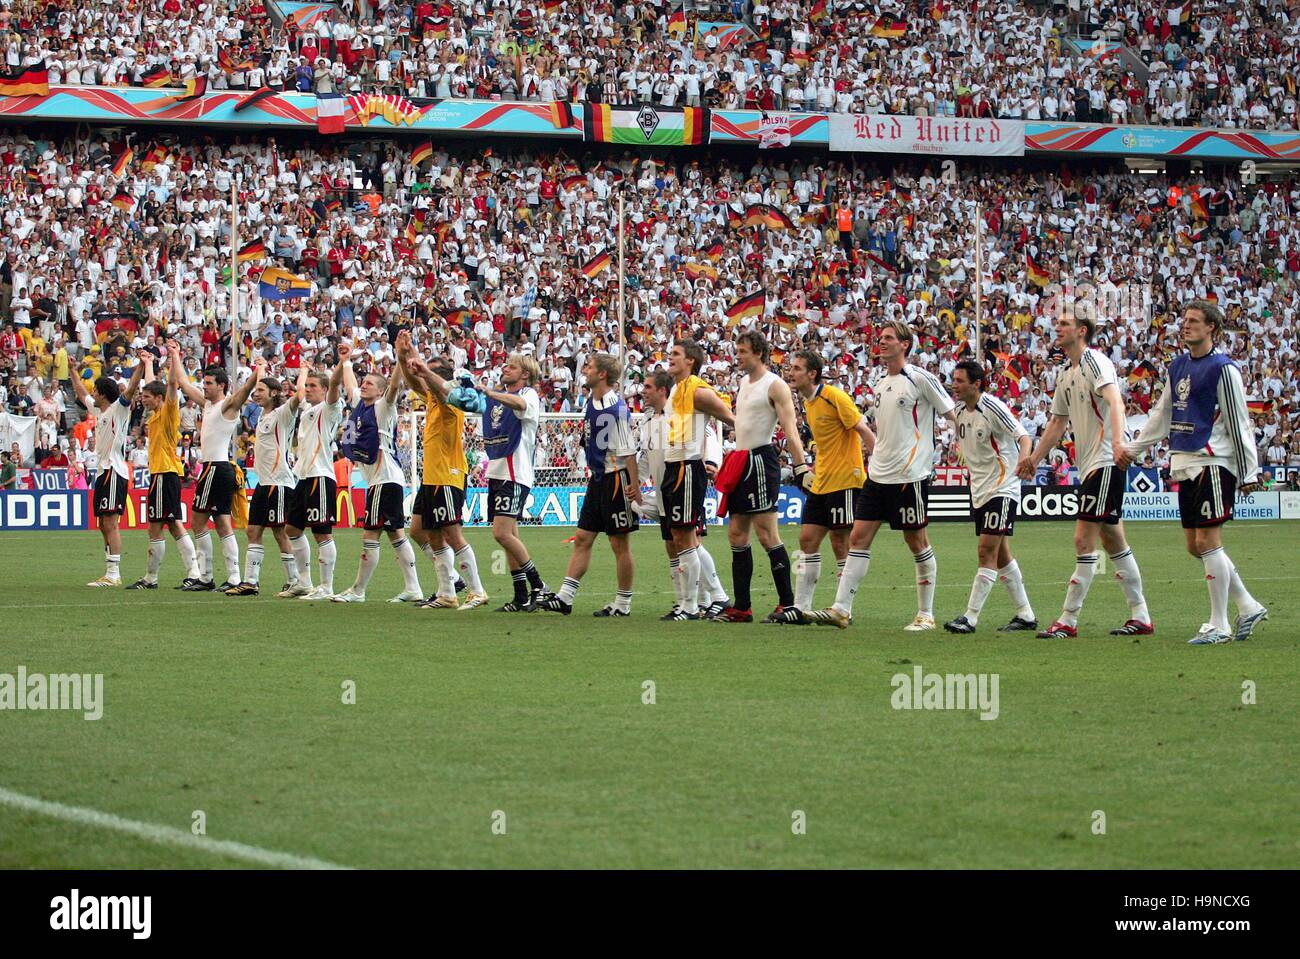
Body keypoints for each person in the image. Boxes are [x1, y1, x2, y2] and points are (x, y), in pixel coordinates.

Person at [1120, 300, 1269, 644]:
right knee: (1194, 545)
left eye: (1193, 321)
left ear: (1211, 329)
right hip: (1184, 462)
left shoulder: (1224, 369)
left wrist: (1249, 471)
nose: (1185, 326)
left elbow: (1239, 421)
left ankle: (1219, 624)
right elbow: (1161, 415)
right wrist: (1134, 448)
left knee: (1208, 540)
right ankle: (1247, 605)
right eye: (1184, 320)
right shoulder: (1178, 366)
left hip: (1214, 461)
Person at [809, 320, 957, 630]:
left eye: (889, 338)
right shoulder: (879, 381)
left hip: (910, 475)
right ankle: (841, 608)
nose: (882, 342)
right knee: (859, 538)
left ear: (905, 344)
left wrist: (966, 444)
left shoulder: (920, 378)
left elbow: (951, 413)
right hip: (877, 474)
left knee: (916, 540)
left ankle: (926, 614)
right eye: (881, 338)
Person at [1015, 309, 1154, 638]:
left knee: (1083, 539)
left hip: (1106, 463)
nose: (1057, 327)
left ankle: (1068, 619)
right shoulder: (1066, 372)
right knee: (1113, 539)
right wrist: (1034, 457)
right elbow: (1057, 423)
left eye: (1064, 323)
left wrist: (1119, 442)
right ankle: (1141, 616)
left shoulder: (1096, 362)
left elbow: (1116, 401)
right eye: (1058, 322)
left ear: (1082, 330)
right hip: (1092, 465)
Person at [712, 330, 809, 623]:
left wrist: (801, 466)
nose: (737, 356)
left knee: (767, 534)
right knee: (736, 534)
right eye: (737, 351)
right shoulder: (743, 382)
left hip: (760, 461)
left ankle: (787, 604)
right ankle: (742, 607)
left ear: (758, 352)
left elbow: (790, 429)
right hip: (741, 460)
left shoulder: (775, 385)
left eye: (742, 351)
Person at [540, 353, 642, 616]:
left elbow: (628, 451)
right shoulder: (592, 401)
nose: (584, 370)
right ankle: (565, 597)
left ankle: (623, 603)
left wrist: (634, 487)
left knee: (619, 544)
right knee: (583, 538)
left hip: (616, 479)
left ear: (602, 375)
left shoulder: (616, 408)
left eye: (590, 367)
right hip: (597, 479)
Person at [941, 359, 1038, 633]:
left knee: (986, 550)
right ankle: (1026, 615)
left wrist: (1023, 462)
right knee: (1002, 554)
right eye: (954, 380)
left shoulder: (993, 406)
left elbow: (1024, 437)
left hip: (1002, 487)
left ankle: (969, 618)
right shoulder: (959, 411)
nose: (955, 385)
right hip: (980, 491)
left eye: (960, 381)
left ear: (976, 384)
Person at [779, 350, 875, 624]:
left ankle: (843, 608)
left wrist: (879, 465)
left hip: (845, 479)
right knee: (807, 539)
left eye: (797, 368)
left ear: (812, 373)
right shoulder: (808, 402)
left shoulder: (834, 397)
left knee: (840, 541)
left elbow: (864, 431)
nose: (791, 372)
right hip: (821, 481)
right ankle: (800, 607)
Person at [396, 331, 488, 611]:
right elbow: (415, 382)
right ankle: (447, 592)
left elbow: (434, 385)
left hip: (449, 475)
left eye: (430, 374)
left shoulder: (451, 400)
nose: (424, 377)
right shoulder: (433, 399)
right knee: (421, 530)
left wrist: (419, 363)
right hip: (433, 477)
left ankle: (477, 590)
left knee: (452, 533)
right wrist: (404, 356)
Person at [634, 370, 730, 621]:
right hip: (664, 488)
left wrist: (711, 461)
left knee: (689, 541)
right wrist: (636, 482)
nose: (643, 391)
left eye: (648, 387)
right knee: (673, 544)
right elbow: (646, 455)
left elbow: (708, 435)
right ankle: (688, 602)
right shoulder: (647, 420)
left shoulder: (678, 411)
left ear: (662, 391)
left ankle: (708, 599)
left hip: (683, 482)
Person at [332, 353, 424, 603]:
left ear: (381, 391)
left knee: (370, 534)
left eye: (370, 383)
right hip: (381, 480)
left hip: (385, 479)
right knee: (395, 534)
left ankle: (358, 590)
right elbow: (350, 385)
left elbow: (394, 385)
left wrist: (401, 360)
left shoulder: (384, 407)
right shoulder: (360, 406)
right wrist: (346, 361)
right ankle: (413, 587)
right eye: (364, 382)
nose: (363, 385)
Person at [661, 339, 736, 620]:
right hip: (673, 467)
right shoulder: (677, 391)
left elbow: (728, 418)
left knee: (684, 536)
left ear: (690, 360)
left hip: (687, 468)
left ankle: (691, 606)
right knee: (684, 537)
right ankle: (717, 597)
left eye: (676, 354)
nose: (671, 358)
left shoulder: (697, 391)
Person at [174, 359, 260, 591]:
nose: (205, 387)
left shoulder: (227, 405)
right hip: (218, 469)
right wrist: (174, 354)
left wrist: (257, 371)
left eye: (209, 383)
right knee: (222, 523)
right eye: (204, 383)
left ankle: (206, 577)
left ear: (222, 385)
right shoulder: (208, 405)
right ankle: (233, 577)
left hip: (215, 468)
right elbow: (183, 382)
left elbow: (243, 391)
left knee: (198, 522)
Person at [480, 352, 551, 612]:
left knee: (500, 533)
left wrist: (490, 393)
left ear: (525, 374)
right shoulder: (500, 398)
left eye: (512, 367)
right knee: (508, 535)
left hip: (514, 473)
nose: (505, 369)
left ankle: (539, 584)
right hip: (498, 471)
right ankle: (520, 595)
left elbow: (519, 405)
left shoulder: (529, 395)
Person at [226, 358, 303, 597]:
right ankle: (250, 581)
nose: (256, 393)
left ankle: (294, 580)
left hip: (279, 483)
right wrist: (259, 368)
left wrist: (304, 371)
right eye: (256, 390)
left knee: (280, 532)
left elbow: (299, 396)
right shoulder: (263, 415)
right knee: (253, 530)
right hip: (264, 483)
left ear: (274, 393)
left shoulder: (282, 414)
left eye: (261, 390)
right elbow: (263, 386)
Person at [69, 350, 146, 587]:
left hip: (114, 471)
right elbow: (82, 394)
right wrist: (72, 370)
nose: (92, 392)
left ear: (103, 394)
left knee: (111, 523)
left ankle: (114, 574)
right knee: (102, 523)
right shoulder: (98, 410)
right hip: (103, 472)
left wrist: (141, 366)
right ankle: (109, 571)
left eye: (95, 389)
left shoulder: (118, 410)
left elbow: (131, 389)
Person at [127, 343, 200, 589]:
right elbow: (154, 386)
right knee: (170, 523)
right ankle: (191, 572)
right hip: (163, 474)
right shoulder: (156, 413)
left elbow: (170, 386)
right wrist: (148, 363)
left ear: (158, 399)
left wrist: (174, 355)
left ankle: (154, 577)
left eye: (146, 397)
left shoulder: (168, 411)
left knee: (159, 526)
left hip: (164, 473)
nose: (143, 399)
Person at [281, 348, 350, 600]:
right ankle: (304, 582)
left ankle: (326, 586)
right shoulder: (307, 411)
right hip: (304, 476)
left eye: (312, 385)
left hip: (320, 477)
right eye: (306, 385)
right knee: (292, 529)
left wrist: (342, 363)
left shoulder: (328, 408)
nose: (307, 389)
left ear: (323, 390)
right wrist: (304, 371)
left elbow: (333, 386)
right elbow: (300, 392)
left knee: (322, 532)